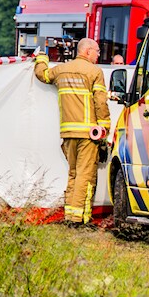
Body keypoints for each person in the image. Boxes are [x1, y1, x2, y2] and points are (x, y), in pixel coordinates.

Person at [34, 37, 112, 226]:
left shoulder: (61, 70)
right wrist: (104, 128)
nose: (99, 55)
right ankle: (79, 219)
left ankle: (70, 214)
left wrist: (42, 57)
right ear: (87, 51)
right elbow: (100, 103)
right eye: (97, 51)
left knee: (73, 174)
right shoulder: (95, 72)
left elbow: (42, 74)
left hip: (68, 132)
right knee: (85, 176)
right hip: (88, 134)